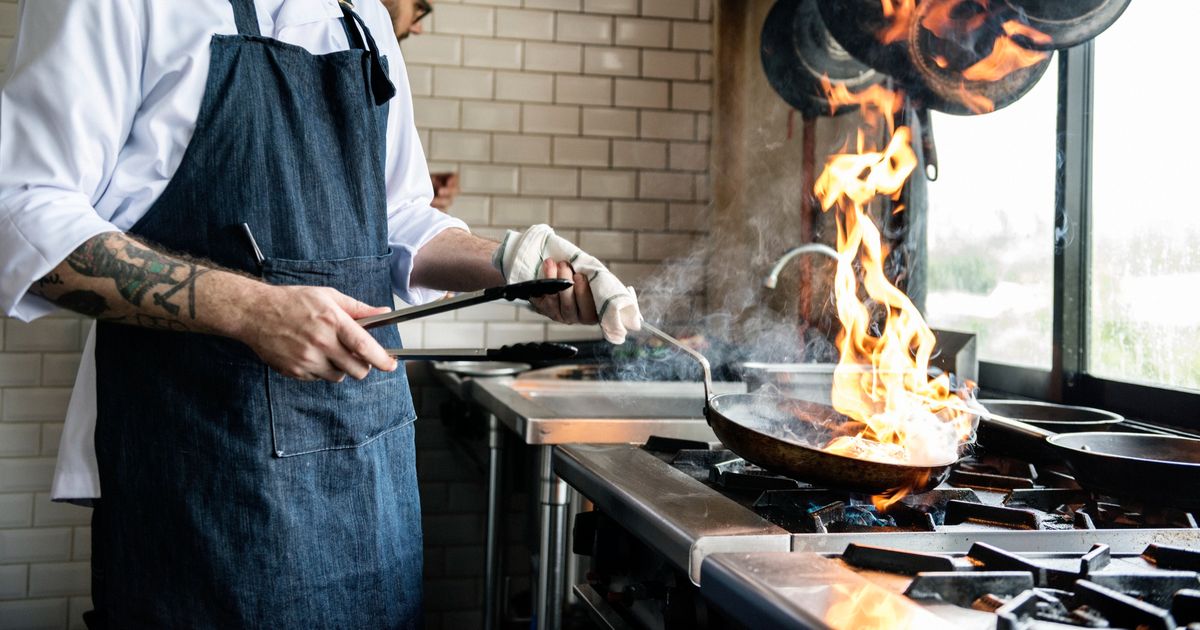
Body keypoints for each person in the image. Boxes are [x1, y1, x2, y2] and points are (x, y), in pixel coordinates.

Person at [0, 1, 640, 627]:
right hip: (201, 468)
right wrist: (250, 308)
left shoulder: (364, 18)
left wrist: (510, 261)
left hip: (370, 471)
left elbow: (398, 216)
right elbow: (22, 211)